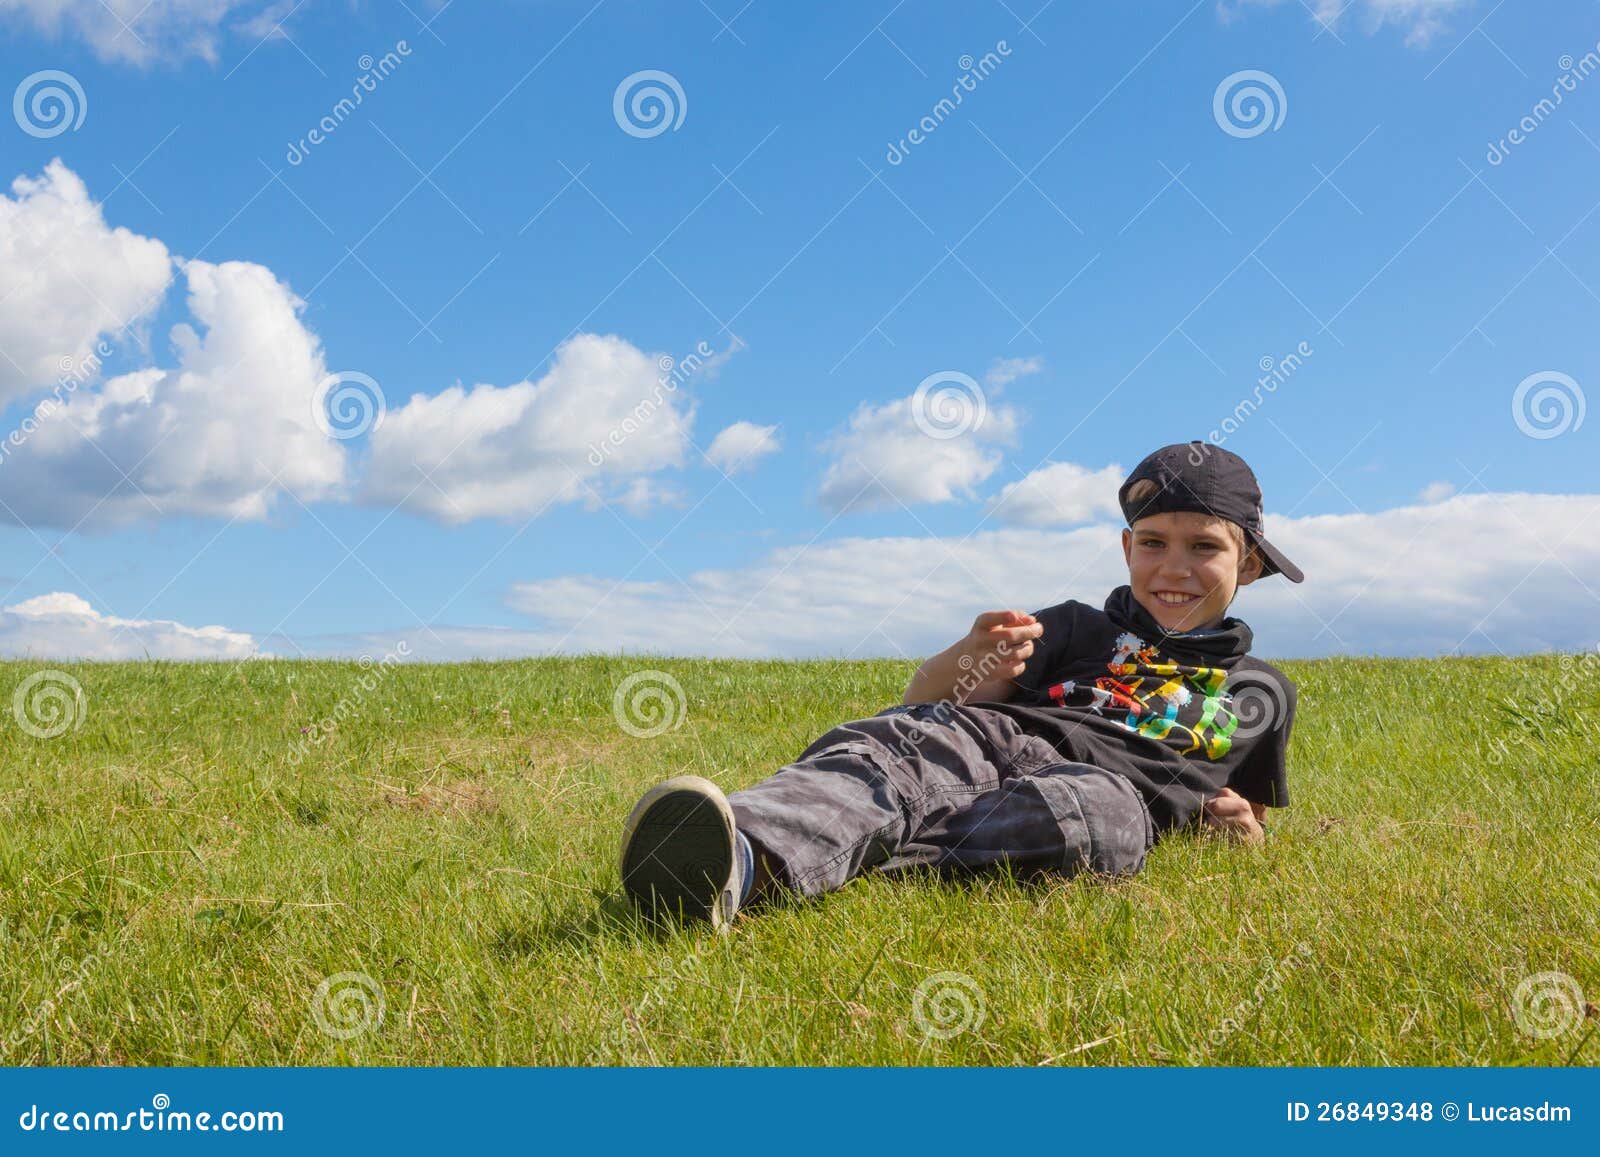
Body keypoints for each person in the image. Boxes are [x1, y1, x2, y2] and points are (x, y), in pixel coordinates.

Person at [619, 441, 1304, 929]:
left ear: (1248, 563)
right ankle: (740, 854)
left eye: (1203, 547)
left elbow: (1247, 808)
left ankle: (834, 862)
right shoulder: (1076, 625)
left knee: (1103, 825)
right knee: (895, 751)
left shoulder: (1259, 691)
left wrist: (1246, 835)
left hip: (1109, 791)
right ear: (1127, 549)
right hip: (995, 735)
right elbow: (923, 702)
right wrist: (972, 657)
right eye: (1152, 543)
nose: (1173, 567)